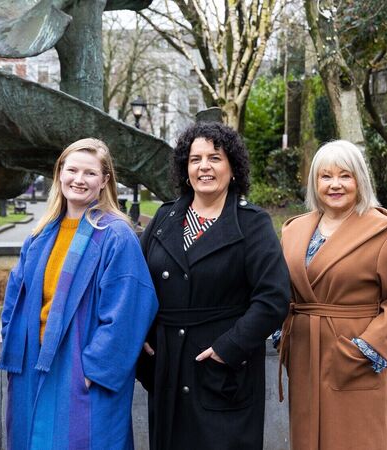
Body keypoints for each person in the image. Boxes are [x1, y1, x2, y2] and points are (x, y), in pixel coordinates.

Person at [138, 122, 290, 450]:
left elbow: (274, 297)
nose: (204, 166)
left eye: (215, 158)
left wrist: (229, 347)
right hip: (168, 367)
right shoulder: (163, 221)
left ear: (233, 167)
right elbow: (136, 286)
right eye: (195, 159)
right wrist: (141, 338)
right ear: (185, 168)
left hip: (222, 371)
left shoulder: (252, 223)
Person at [0, 138, 158, 450]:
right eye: (72, 170)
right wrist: (13, 338)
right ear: (60, 174)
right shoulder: (42, 234)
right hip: (33, 363)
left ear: (104, 181)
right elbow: (15, 298)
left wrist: (95, 370)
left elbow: (127, 311)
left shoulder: (114, 235)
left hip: (80, 366)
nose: (79, 179)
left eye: (89, 173)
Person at [278, 140, 387, 449]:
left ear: (360, 180)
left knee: (357, 438)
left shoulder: (383, 232)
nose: (335, 185)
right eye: (325, 176)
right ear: (315, 183)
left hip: (355, 358)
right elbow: (281, 289)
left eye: (345, 175)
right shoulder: (293, 230)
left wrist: (365, 348)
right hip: (305, 355)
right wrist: (283, 333)